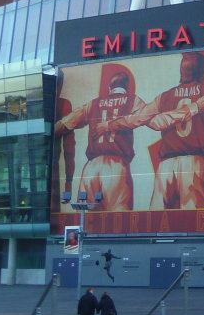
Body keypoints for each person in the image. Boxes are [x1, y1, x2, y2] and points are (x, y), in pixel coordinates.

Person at [98, 52, 204, 209]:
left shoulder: (165, 96)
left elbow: (138, 118)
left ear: (182, 72)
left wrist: (110, 124)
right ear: (202, 70)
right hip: (194, 162)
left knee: (158, 219)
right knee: (195, 219)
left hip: (165, 165)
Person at [55, 68, 146, 211]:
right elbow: (147, 116)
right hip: (116, 165)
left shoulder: (94, 104)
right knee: (118, 220)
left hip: (91, 167)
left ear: (110, 88)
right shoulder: (133, 100)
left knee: (85, 221)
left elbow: (65, 123)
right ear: (125, 87)